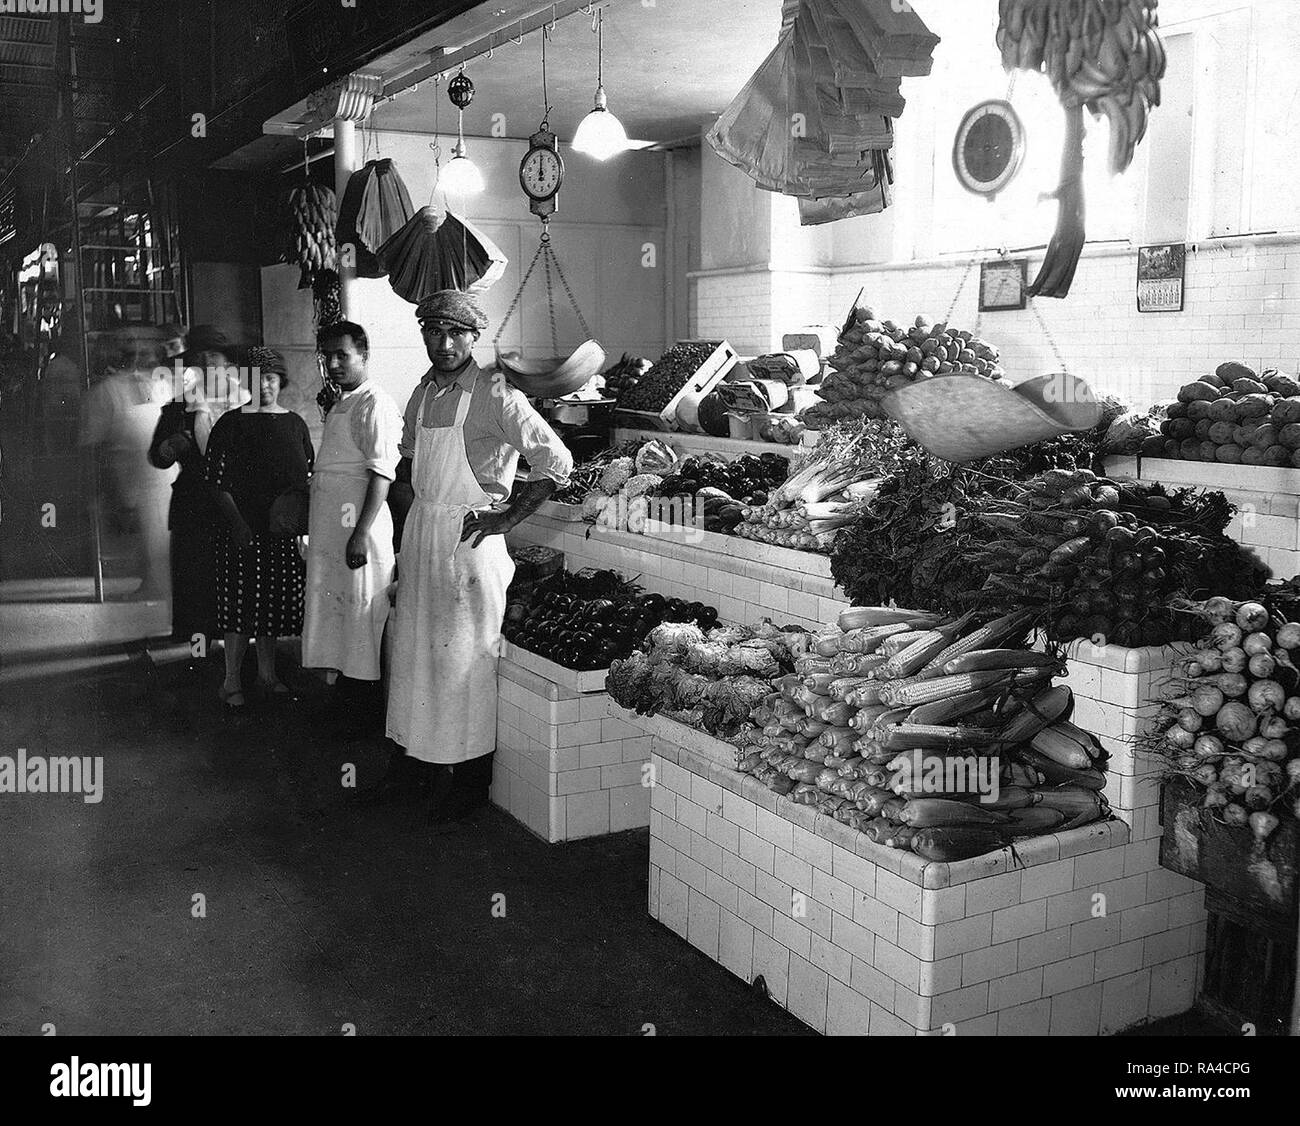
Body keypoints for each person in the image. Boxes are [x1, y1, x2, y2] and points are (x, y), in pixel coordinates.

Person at [385, 290, 573, 825]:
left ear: (473, 339)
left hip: (471, 541)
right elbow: (407, 466)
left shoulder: (495, 391)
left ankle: (468, 781)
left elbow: (556, 461)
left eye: (454, 334)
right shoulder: (424, 391)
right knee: (417, 651)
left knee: (463, 660)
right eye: (432, 332)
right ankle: (416, 764)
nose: (442, 344)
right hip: (425, 531)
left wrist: (506, 518)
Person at [205, 346, 315, 708]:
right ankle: (231, 681)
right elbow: (216, 482)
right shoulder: (230, 424)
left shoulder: (295, 425)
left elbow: (305, 480)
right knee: (239, 607)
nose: (264, 386)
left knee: (270, 607)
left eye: (270, 378)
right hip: (241, 531)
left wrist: (298, 525)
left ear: (280, 381)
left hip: (279, 535)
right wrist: (237, 523)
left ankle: (268, 675)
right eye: (257, 379)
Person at [301, 321, 402, 714]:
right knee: (342, 619)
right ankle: (346, 704)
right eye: (327, 356)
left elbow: (382, 474)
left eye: (342, 355)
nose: (333, 363)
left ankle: (361, 716)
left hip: (359, 534)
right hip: (333, 533)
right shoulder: (343, 402)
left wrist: (360, 534)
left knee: (361, 619)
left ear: (364, 356)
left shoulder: (375, 402)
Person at [148, 325, 245, 653]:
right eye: (199, 358)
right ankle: (196, 648)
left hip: (237, 500)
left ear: (226, 362)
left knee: (234, 575)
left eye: (213, 357)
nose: (207, 363)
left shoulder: (247, 402)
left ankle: (232, 641)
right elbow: (157, 456)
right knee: (195, 573)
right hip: (194, 501)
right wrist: (170, 447)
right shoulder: (179, 406)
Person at [78, 327, 174, 602]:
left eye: (144, 349)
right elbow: (91, 450)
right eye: (130, 349)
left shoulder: (162, 386)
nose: (138, 356)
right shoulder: (103, 394)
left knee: (163, 541)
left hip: (165, 476)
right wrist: (94, 495)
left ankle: (158, 586)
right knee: (146, 538)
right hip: (127, 480)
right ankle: (151, 584)